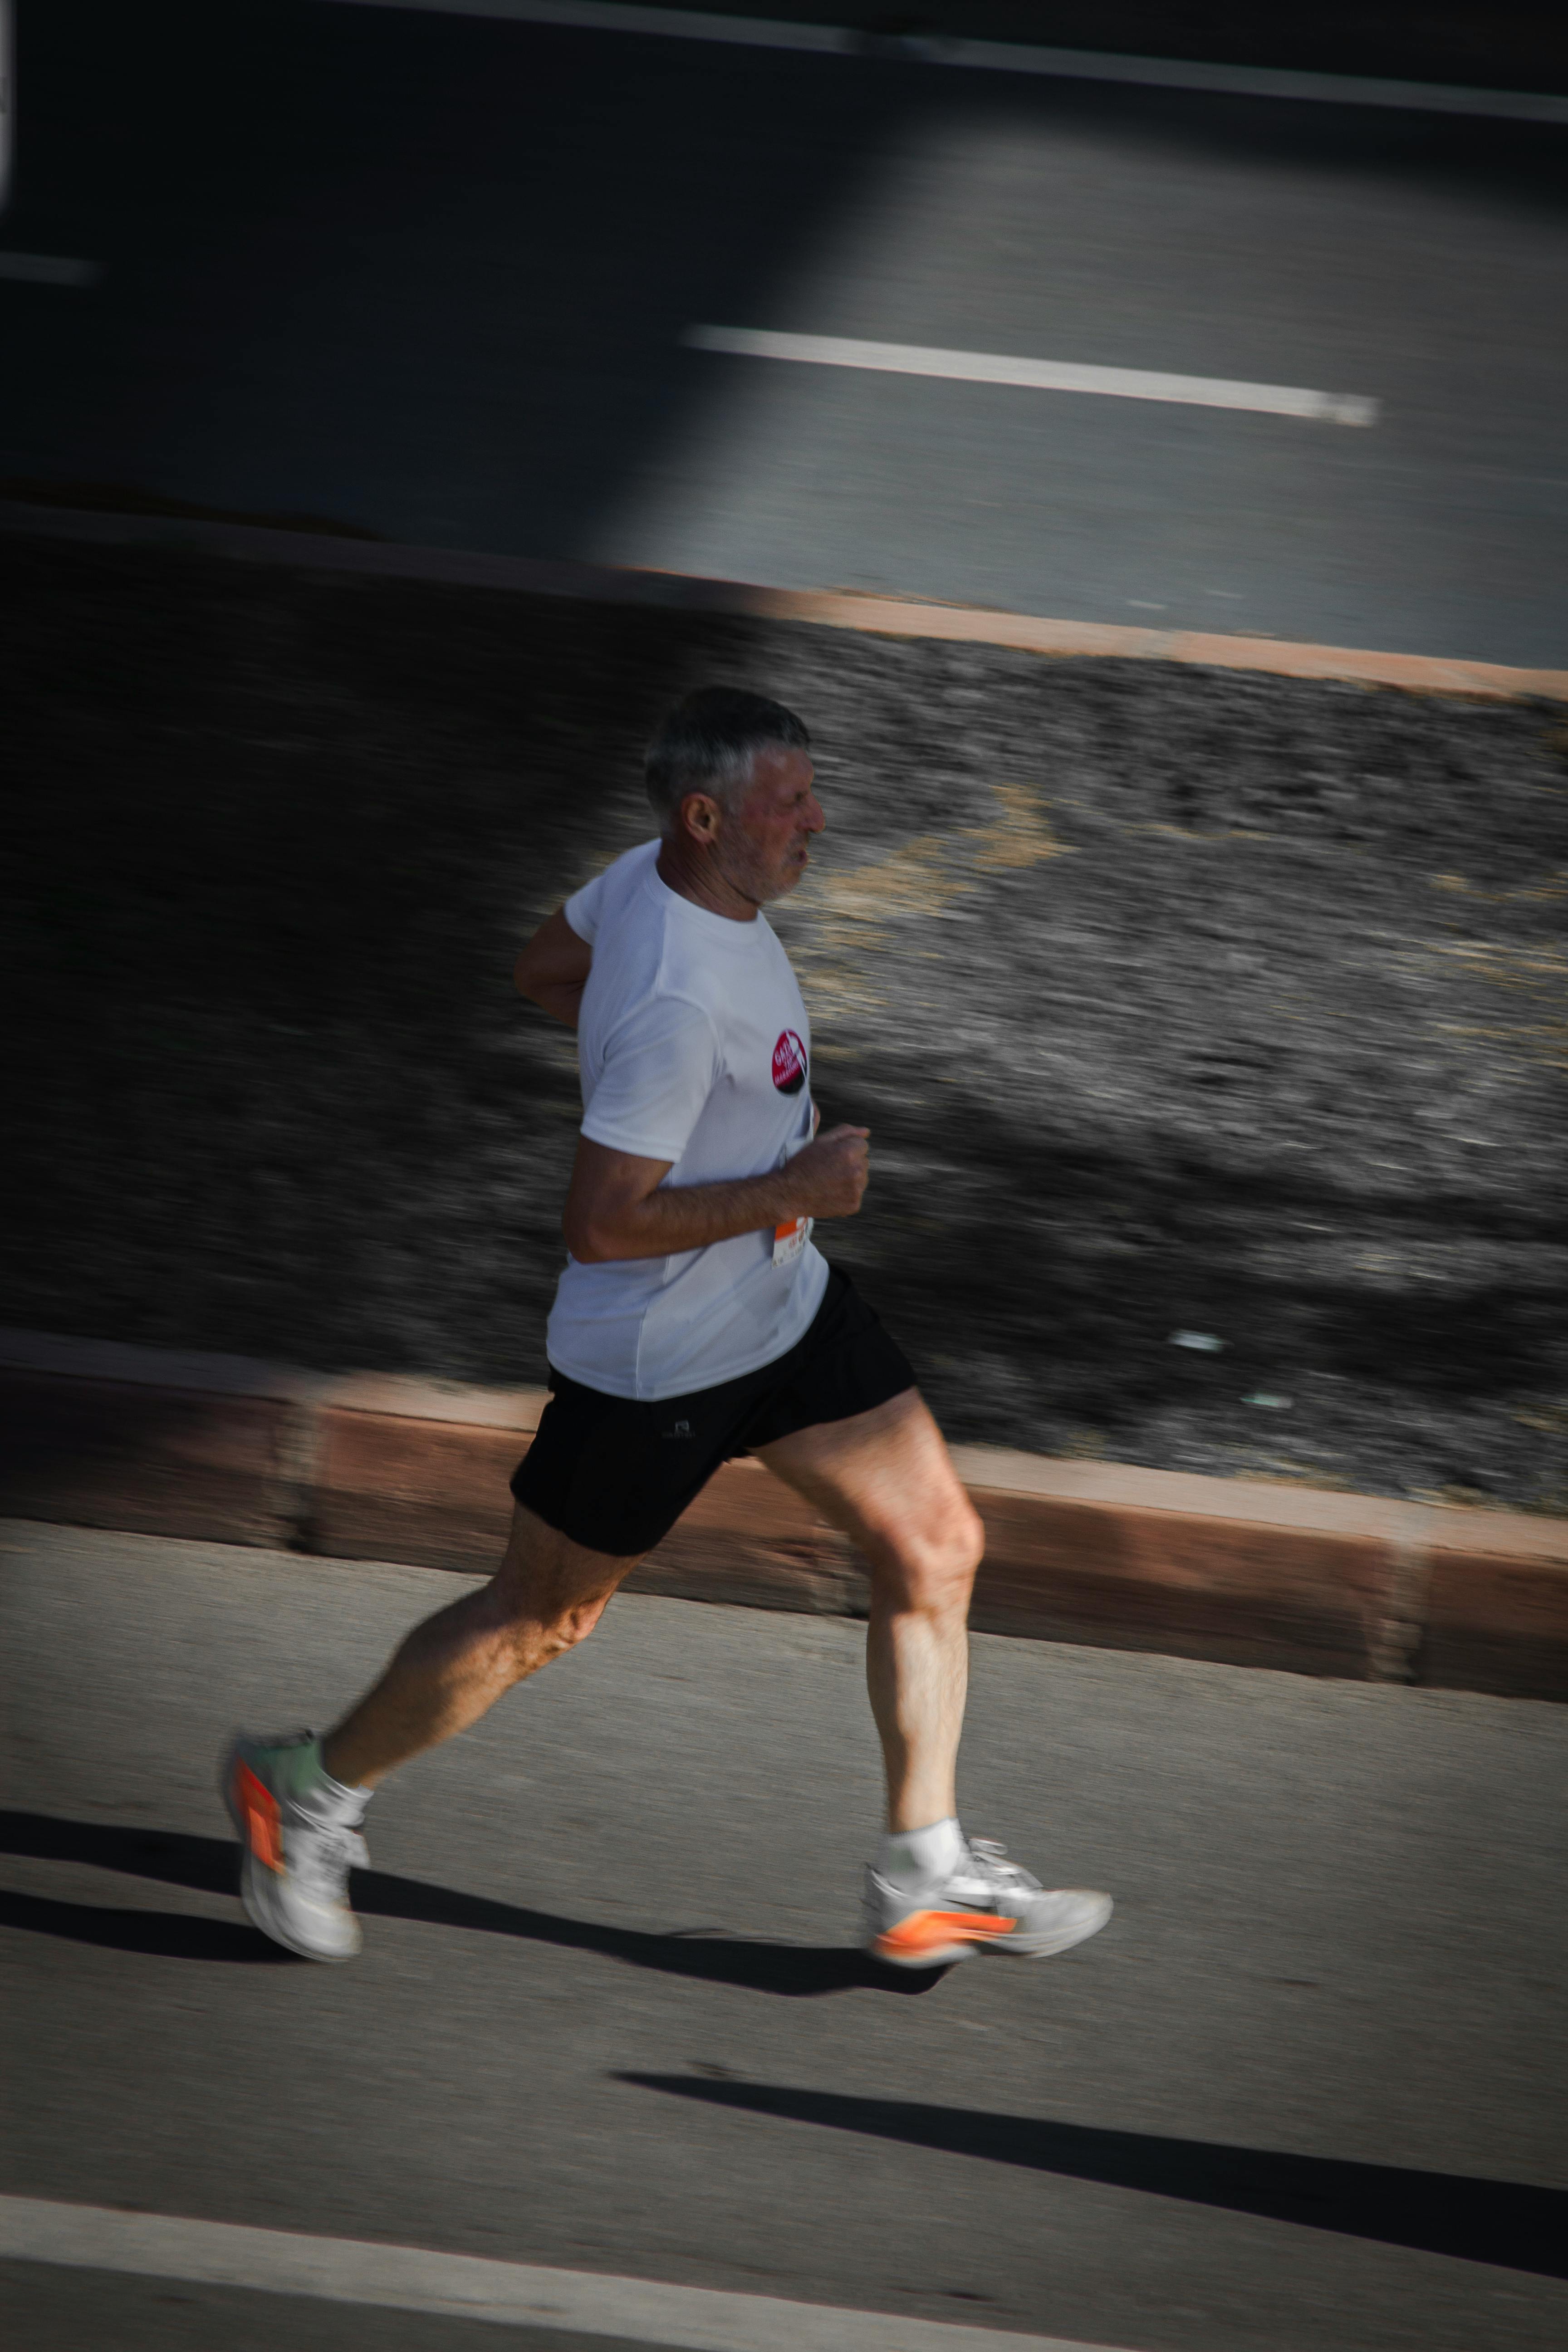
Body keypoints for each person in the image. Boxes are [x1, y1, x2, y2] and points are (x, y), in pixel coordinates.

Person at [223, 688, 1112, 1972]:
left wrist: (752, 1187)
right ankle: (298, 1790)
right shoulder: (673, 1005)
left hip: (785, 1308)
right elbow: (603, 1222)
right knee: (540, 1619)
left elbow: (541, 968)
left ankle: (924, 1870)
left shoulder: (647, 876)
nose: (817, 821)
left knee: (935, 1541)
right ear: (707, 817)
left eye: (811, 790)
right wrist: (783, 1183)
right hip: (660, 1359)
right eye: (787, 802)